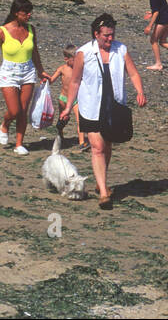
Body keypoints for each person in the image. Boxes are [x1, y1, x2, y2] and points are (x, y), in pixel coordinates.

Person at [59, 13, 147, 209]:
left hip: (113, 105)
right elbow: (75, 81)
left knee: (107, 147)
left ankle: (101, 183)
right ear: (96, 34)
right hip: (90, 106)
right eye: (106, 35)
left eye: (112, 34)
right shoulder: (84, 53)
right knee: (97, 147)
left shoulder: (121, 50)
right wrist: (67, 107)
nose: (110, 39)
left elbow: (132, 73)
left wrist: (140, 91)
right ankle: (104, 194)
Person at [0, 0, 50, 156]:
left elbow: (35, 52)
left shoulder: (31, 29)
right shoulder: (2, 31)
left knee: (23, 110)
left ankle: (19, 143)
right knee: (14, 110)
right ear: (16, 13)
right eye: (26, 12)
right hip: (9, 72)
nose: (29, 15)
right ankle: (5, 123)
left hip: (28, 71)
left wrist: (40, 70)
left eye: (30, 12)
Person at [48, 45, 87, 151]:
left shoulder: (79, 69)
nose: (77, 62)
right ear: (66, 59)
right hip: (64, 99)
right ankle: (60, 135)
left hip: (76, 99)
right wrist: (46, 79)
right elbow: (51, 80)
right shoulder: (62, 69)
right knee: (62, 121)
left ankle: (82, 142)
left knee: (80, 121)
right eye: (75, 60)